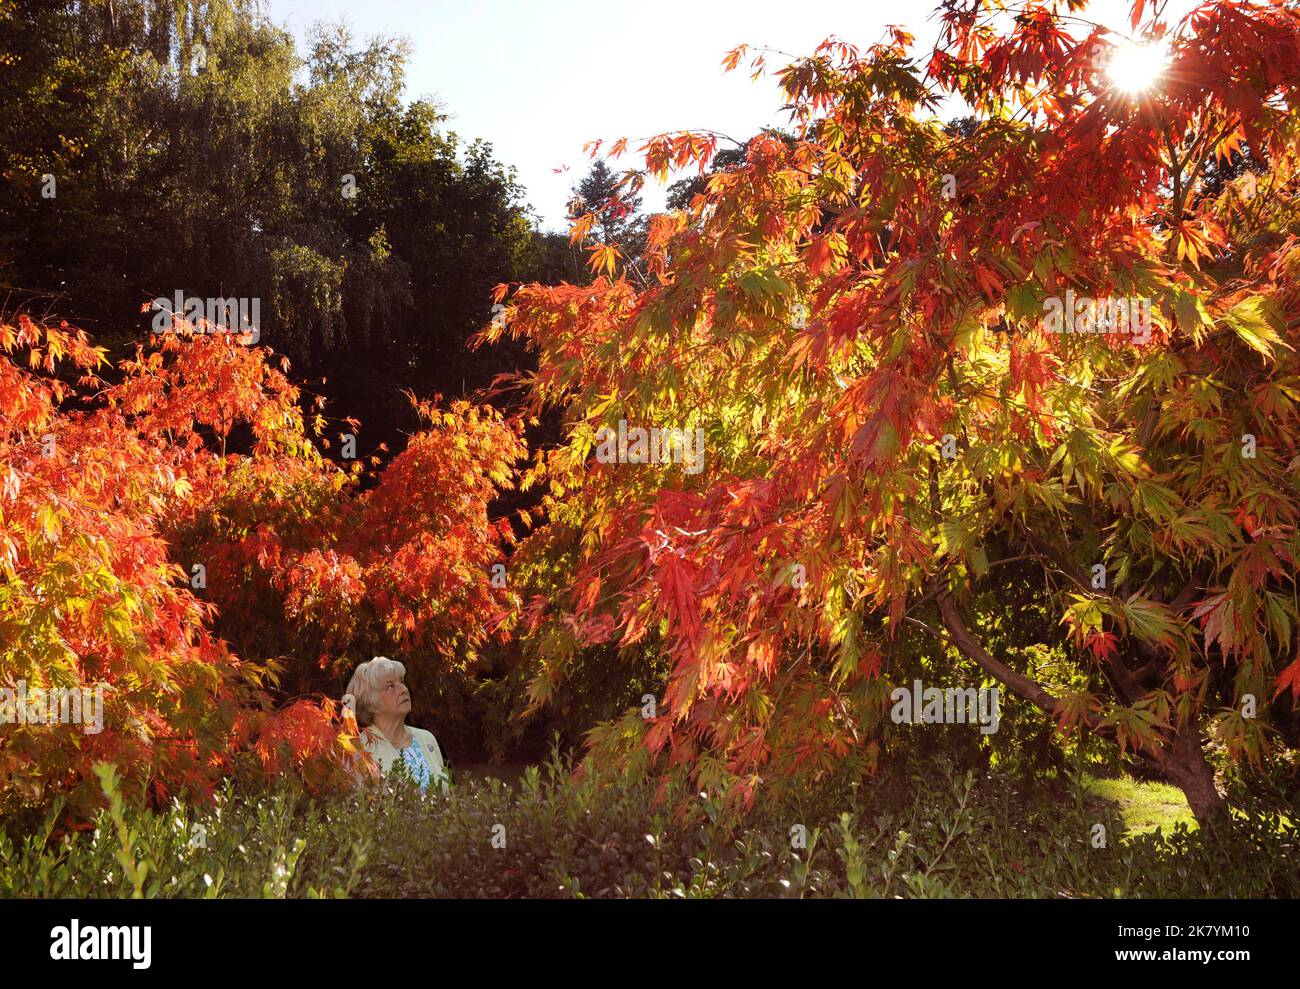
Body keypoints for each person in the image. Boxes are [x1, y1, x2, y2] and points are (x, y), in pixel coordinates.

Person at [343, 656, 449, 793]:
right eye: (391, 686)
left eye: (402, 682)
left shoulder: (427, 739)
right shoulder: (360, 750)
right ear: (371, 704)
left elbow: (447, 796)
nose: (404, 689)